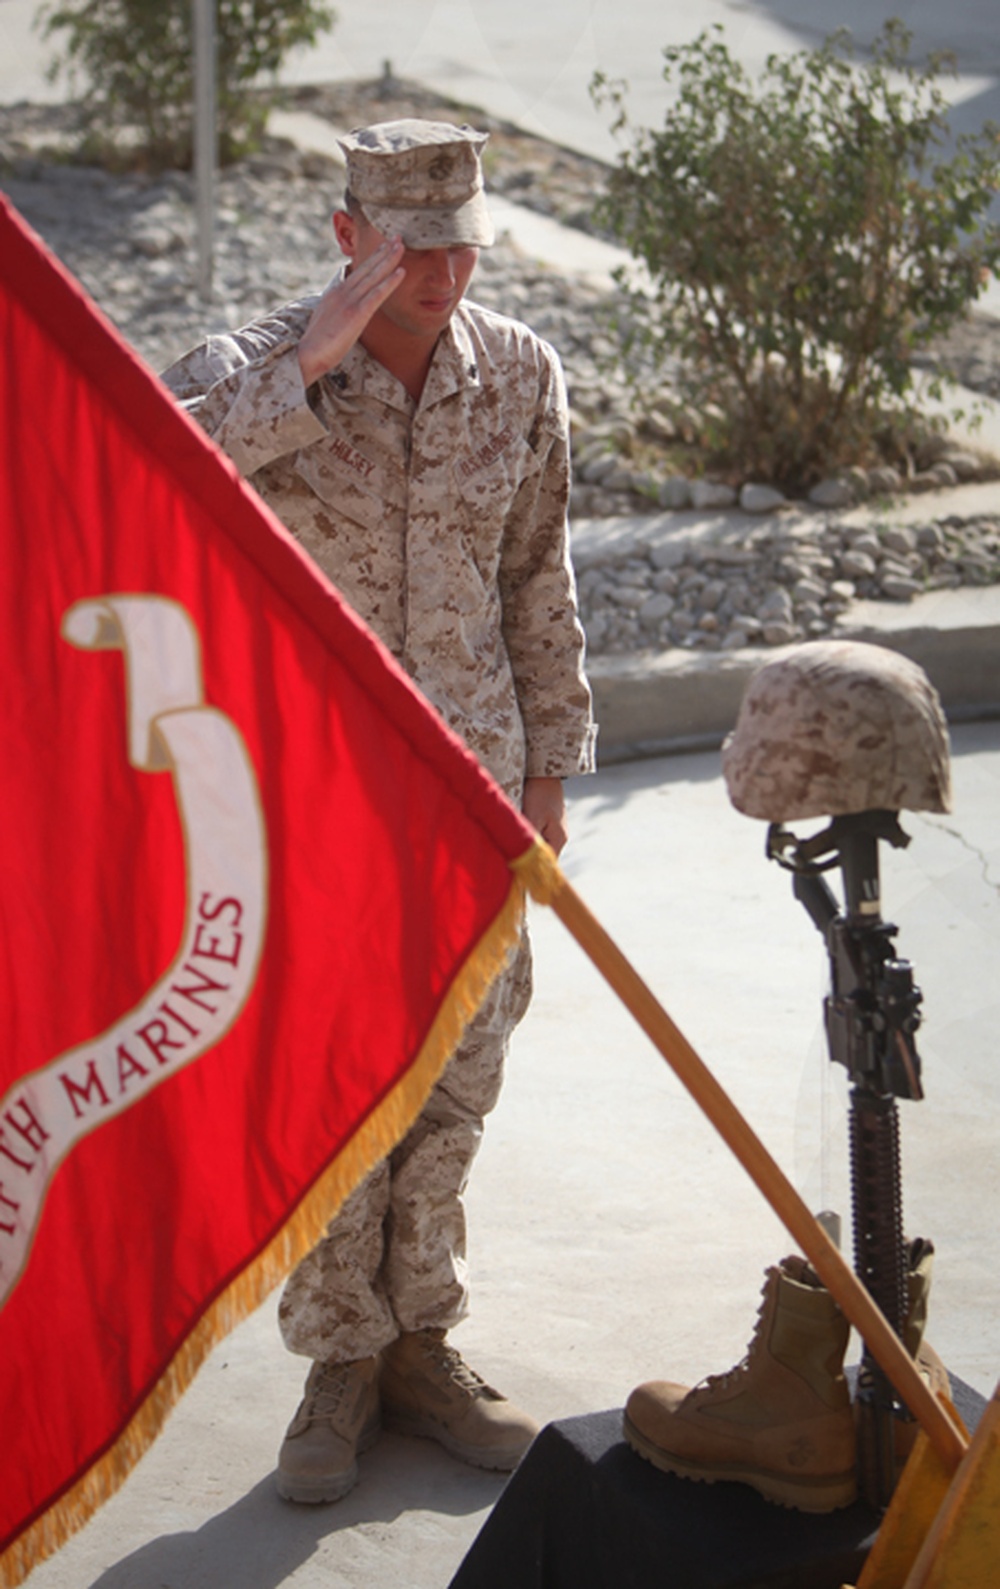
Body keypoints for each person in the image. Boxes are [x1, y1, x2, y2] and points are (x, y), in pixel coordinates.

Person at [161, 118, 597, 1505]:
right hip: (313, 797)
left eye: (460, 246)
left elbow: (538, 575)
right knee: (341, 1079)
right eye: (410, 248)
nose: (441, 276)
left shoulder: (521, 375)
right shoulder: (251, 369)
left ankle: (422, 1338)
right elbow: (155, 491)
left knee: (460, 1069)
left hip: (470, 790)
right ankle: (340, 1359)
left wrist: (546, 781)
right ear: (349, 237)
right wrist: (309, 369)